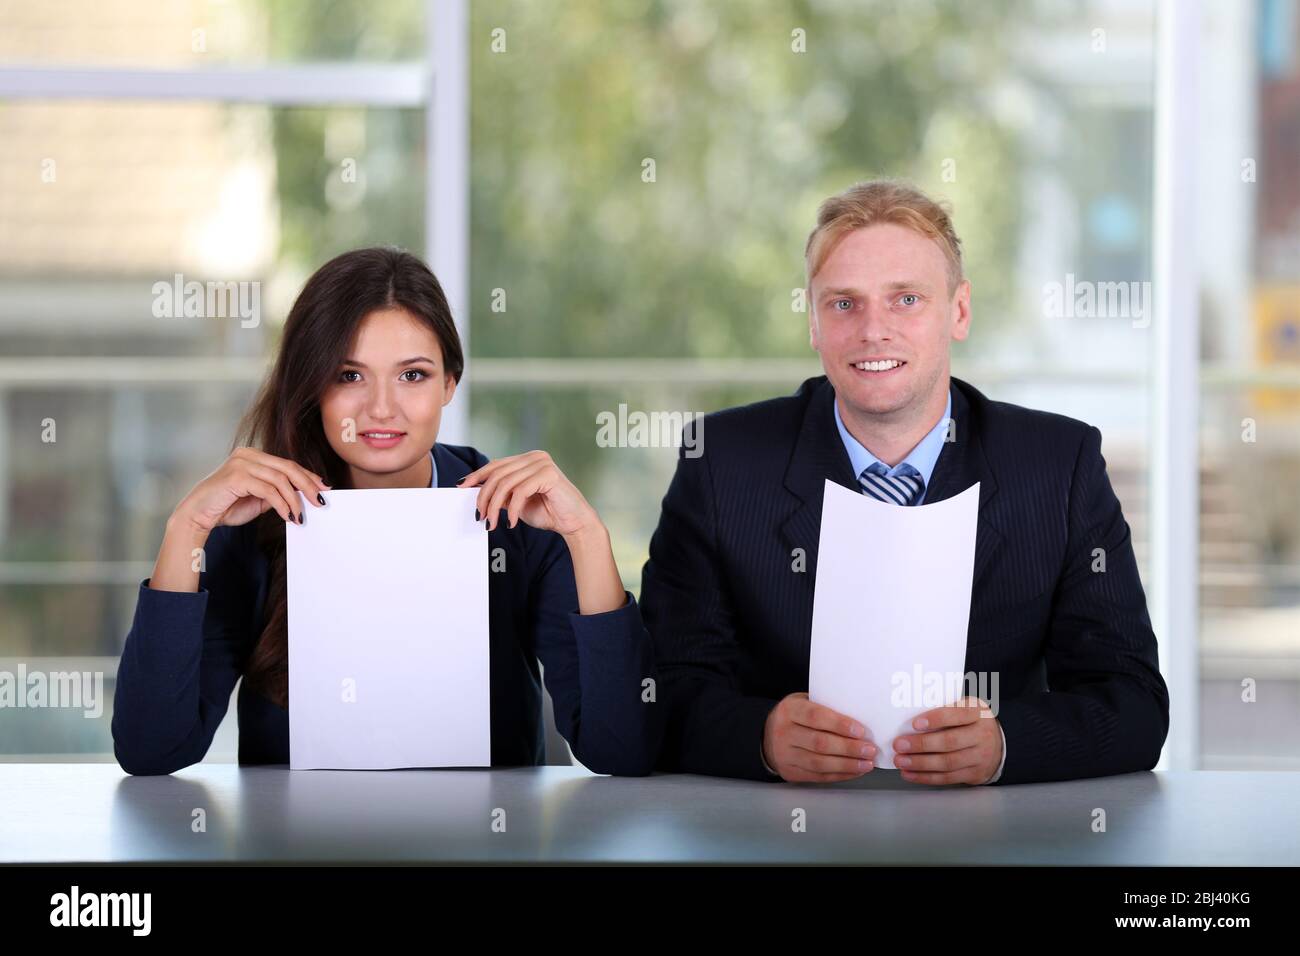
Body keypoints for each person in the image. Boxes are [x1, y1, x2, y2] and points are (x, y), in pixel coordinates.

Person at [640, 179, 1169, 786]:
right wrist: (759, 738)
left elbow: (1133, 702)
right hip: (784, 822)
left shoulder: (1058, 466)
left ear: (959, 312)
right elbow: (660, 691)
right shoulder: (722, 464)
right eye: (844, 303)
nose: (874, 330)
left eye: (906, 299)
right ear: (813, 322)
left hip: (992, 828)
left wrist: (1005, 745)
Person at [112, 247, 661, 776]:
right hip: (296, 834)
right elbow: (151, 748)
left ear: (450, 383)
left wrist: (586, 534)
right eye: (349, 375)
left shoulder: (516, 515)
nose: (380, 408)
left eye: (412, 375)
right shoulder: (257, 519)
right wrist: (187, 526)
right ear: (312, 388)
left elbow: (623, 750)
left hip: (484, 834)